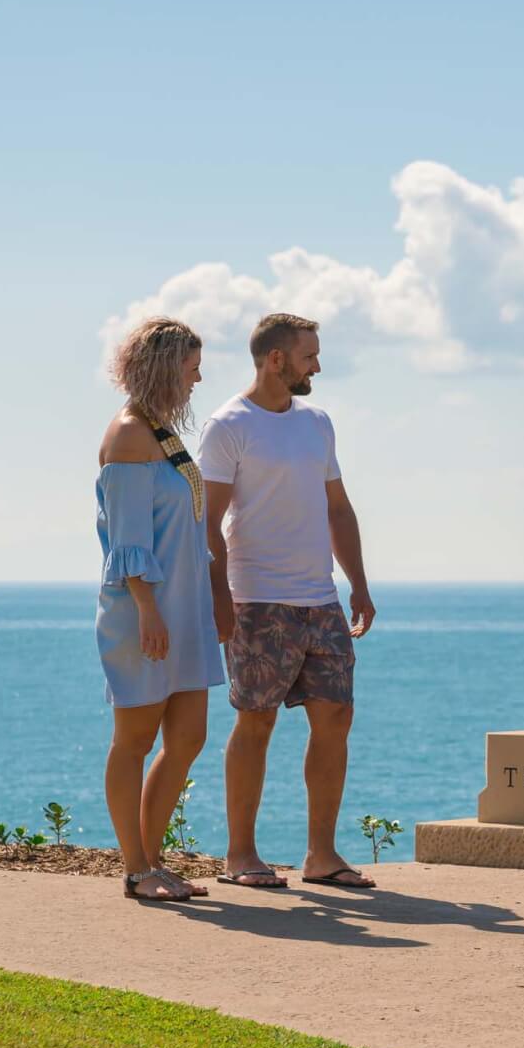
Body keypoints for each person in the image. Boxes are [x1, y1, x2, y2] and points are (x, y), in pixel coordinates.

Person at [200, 313, 379, 891]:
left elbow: (337, 509)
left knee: (336, 718)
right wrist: (221, 598)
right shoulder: (228, 425)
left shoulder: (317, 423)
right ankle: (240, 855)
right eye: (309, 356)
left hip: (319, 599)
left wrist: (358, 583)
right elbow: (207, 521)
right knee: (256, 722)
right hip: (257, 600)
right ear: (276, 359)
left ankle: (321, 856)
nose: (317, 366)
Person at [96, 317, 222, 901]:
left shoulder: (162, 433)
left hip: (183, 611)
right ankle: (136, 868)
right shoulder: (129, 436)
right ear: (165, 369)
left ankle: (152, 862)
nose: (197, 379)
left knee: (189, 736)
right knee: (135, 739)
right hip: (145, 613)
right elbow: (127, 539)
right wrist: (148, 609)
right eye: (191, 368)